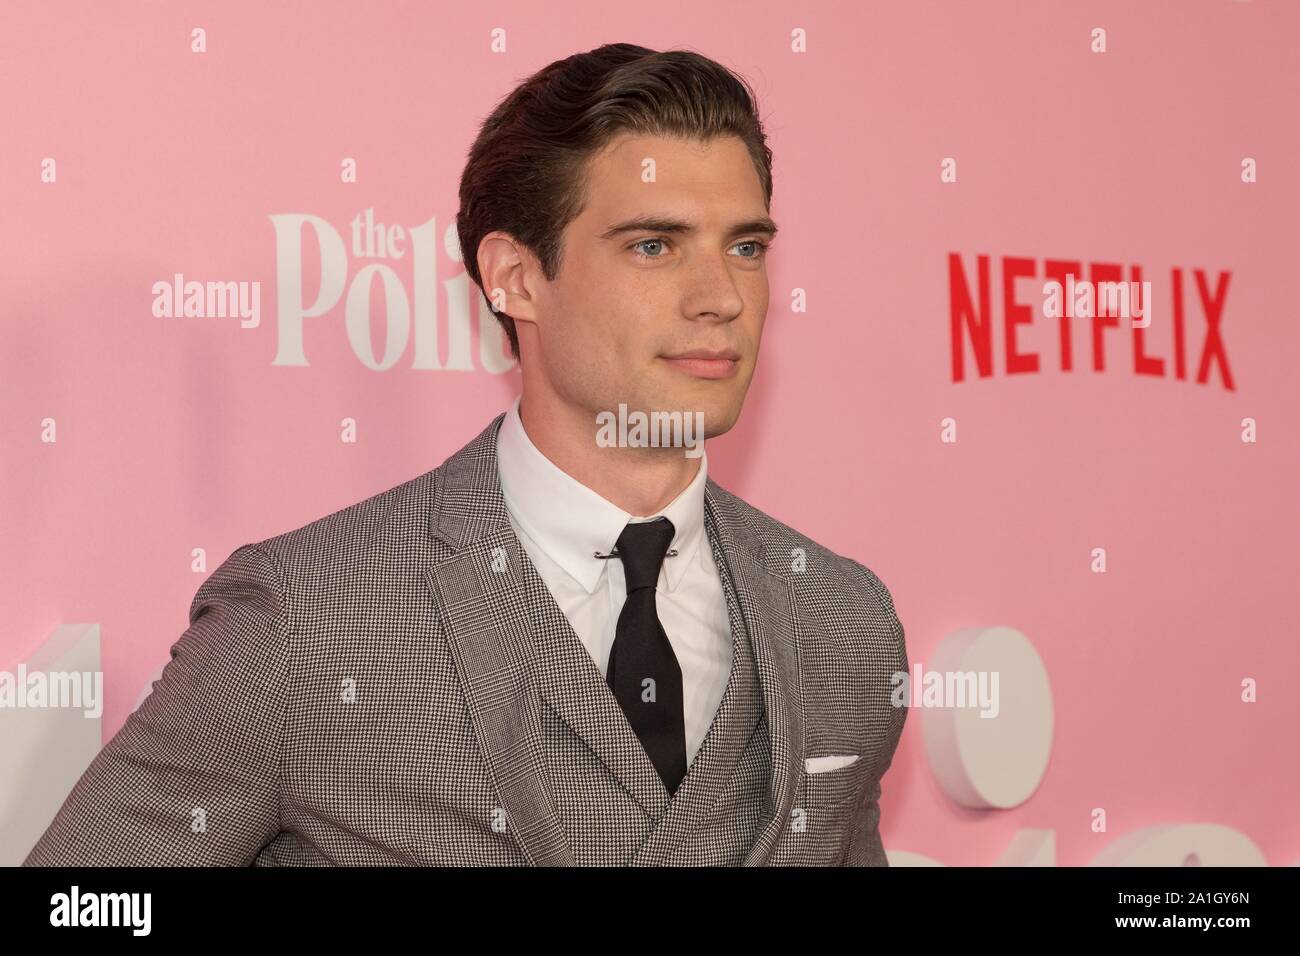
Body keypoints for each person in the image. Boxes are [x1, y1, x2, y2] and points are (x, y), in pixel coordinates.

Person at [25, 42, 908, 866]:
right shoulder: (304, 622)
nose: (722, 297)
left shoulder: (842, 619)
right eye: (654, 245)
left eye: (746, 247)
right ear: (515, 277)